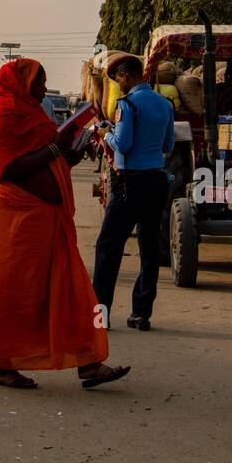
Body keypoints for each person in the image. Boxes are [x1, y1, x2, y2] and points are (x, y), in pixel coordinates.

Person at [0, 58, 129, 390]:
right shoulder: (2, 115)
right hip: (18, 219)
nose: (42, 89)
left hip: (48, 218)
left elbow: (46, 155)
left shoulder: (35, 113)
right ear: (21, 84)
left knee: (73, 290)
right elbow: (9, 167)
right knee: (14, 293)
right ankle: (2, 365)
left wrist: (70, 151)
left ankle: (89, 362)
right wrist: (54, 148)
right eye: (38, 83)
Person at [93, 54, 175, 332]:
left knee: (108, 247)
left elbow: (124, 145)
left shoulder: (126, 105)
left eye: (118, 80)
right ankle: (142, 313)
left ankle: (99, 315)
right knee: (149, 246)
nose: (118, 85)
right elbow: (168, 144)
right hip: (156, 180)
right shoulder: (165, 105)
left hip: (129, 183)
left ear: (126, 76)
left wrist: (106, 134)